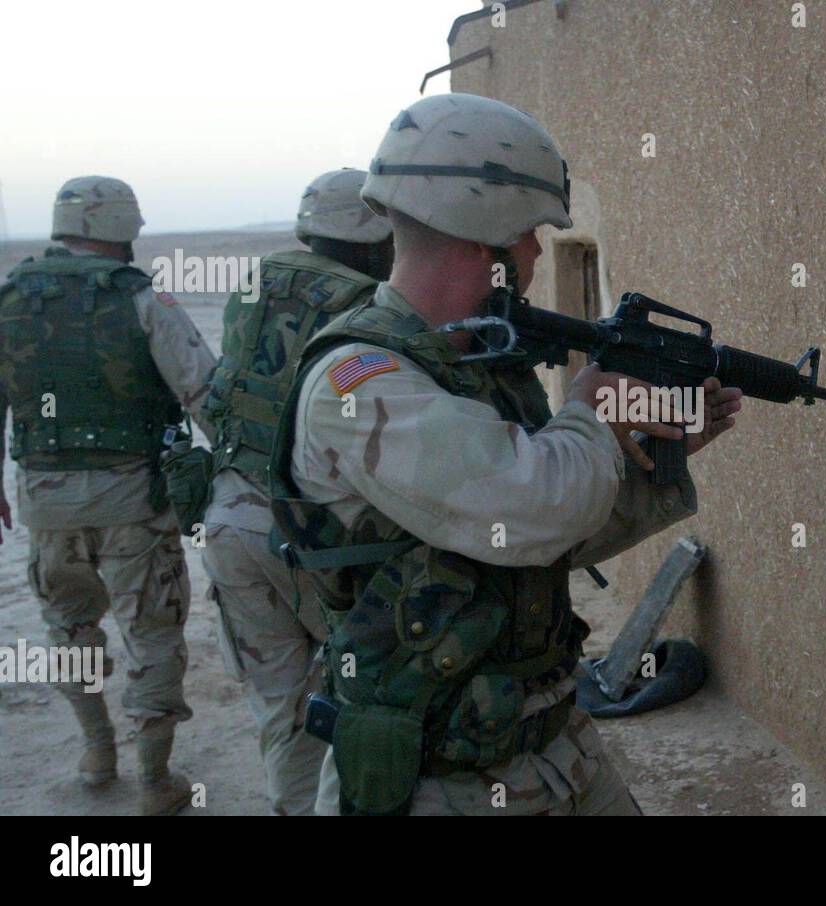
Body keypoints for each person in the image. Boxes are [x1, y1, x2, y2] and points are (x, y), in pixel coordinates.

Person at [268, 93, 743, 815]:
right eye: (529, 232)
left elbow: (539, 544)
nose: (536, 254)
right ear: (479, 234)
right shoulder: (358, 384)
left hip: (552, 739)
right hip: (435, 777)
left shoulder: (474, 359)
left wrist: (650, 457)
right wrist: (590, 408)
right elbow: (531, 511)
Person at [0, 176, 216, 815]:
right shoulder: (144, 297)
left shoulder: (9, 297)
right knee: (152, 635)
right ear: (124, 228)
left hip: (45, 503)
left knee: (69, 627)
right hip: (134, 503)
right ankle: (155, 782)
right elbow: (203, 390)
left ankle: (97, 753)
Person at [199, 168, 392, 815]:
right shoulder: (370, 305)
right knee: (357, 697)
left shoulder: (255, 285)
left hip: (229, 521)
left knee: (283, 709)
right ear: (371, 236)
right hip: (311, 537)